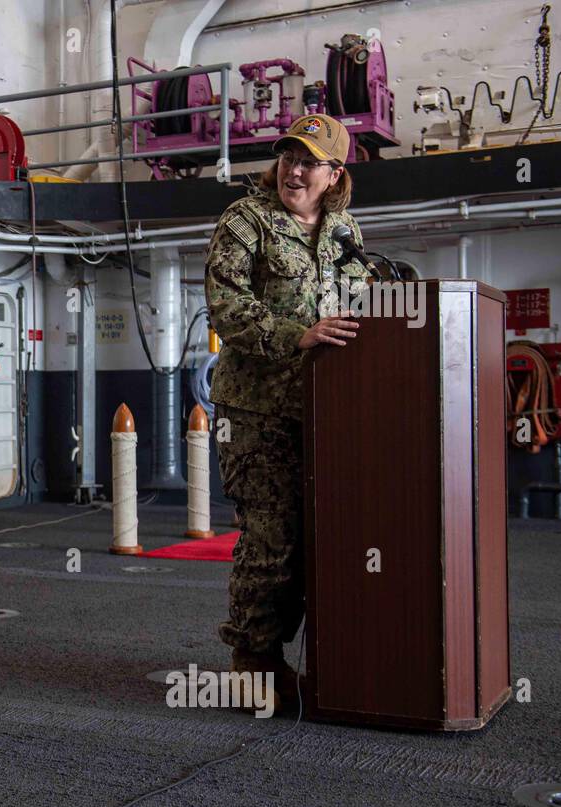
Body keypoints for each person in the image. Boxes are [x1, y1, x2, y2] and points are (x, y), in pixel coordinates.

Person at [203, 114, 369, 710]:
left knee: (317, 539)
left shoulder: (344, 230)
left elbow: (363, 303)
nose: (294, 170)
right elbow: (226, 307)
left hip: (326, 410)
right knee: (270, 539)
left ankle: (293, 657)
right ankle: (252, 664)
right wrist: (299, 333)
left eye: (309, 161)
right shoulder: (245, 221)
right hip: (255, 410)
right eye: (288, 157)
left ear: (334, 173)